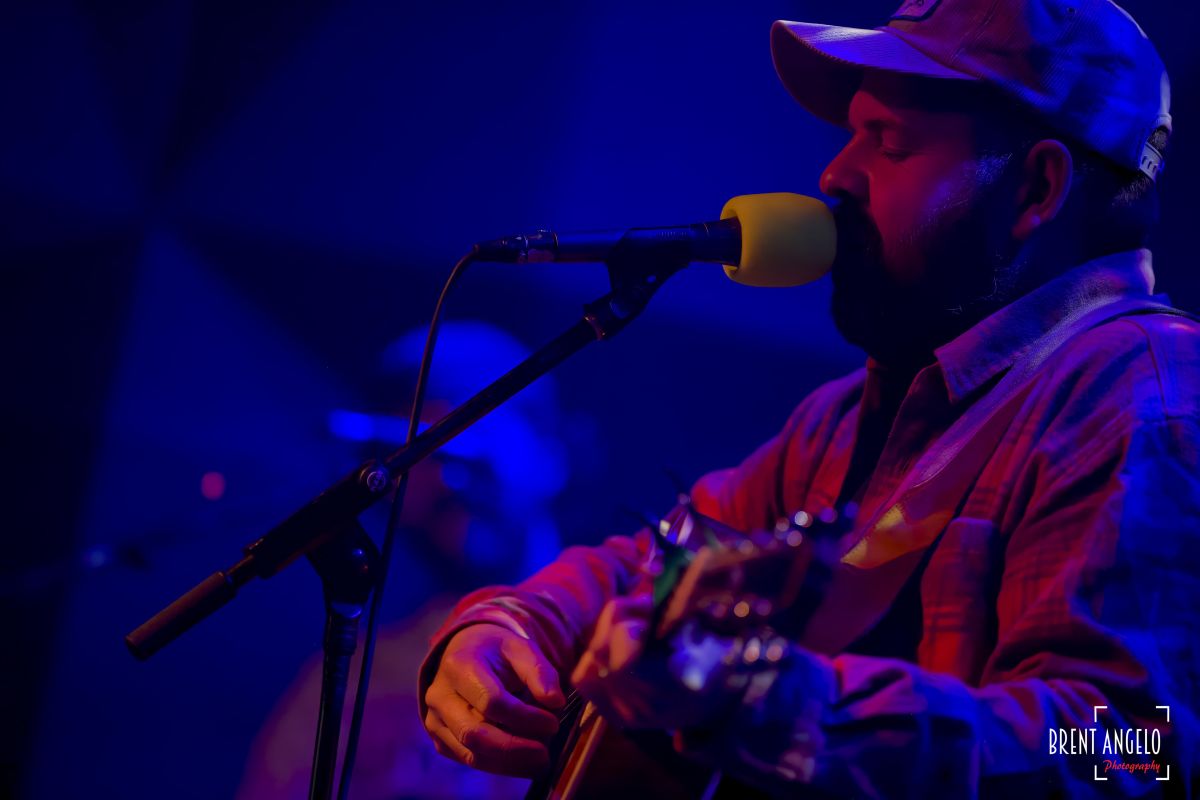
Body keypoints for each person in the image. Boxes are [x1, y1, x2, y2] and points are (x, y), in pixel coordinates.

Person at [420, 1, 1200, 796]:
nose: (833, 173)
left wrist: (781, 707)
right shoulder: (845, 419)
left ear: (1036, 188)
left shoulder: (1148, 394)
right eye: (849, 132)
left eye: (888, 141)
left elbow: (1135, 751)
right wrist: (511, 626)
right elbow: (649, 569)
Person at [237, 322, 572, 800]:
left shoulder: (624, 629)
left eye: (472, 443)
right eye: (424, 454)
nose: (451, 479)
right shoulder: (351, 682)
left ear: (551, 455)